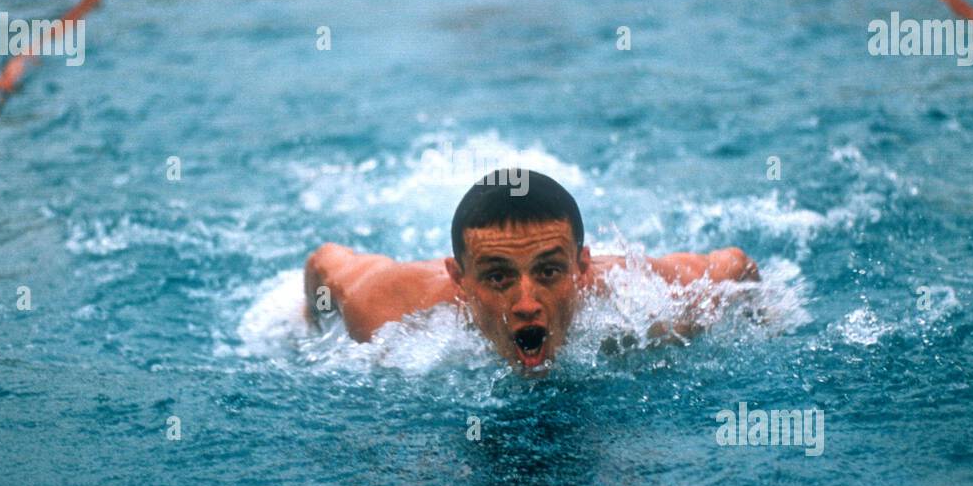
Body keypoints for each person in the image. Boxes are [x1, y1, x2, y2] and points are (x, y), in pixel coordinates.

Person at [304, 169, 759, 371]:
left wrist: (764, 321)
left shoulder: (641, 300)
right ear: (459, 280)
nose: (525, 304)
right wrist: (310, 328)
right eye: (498, 277)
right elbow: (323, 262)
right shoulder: (387, 310)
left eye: (548, 272)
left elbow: (735, 265)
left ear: (582, 268)